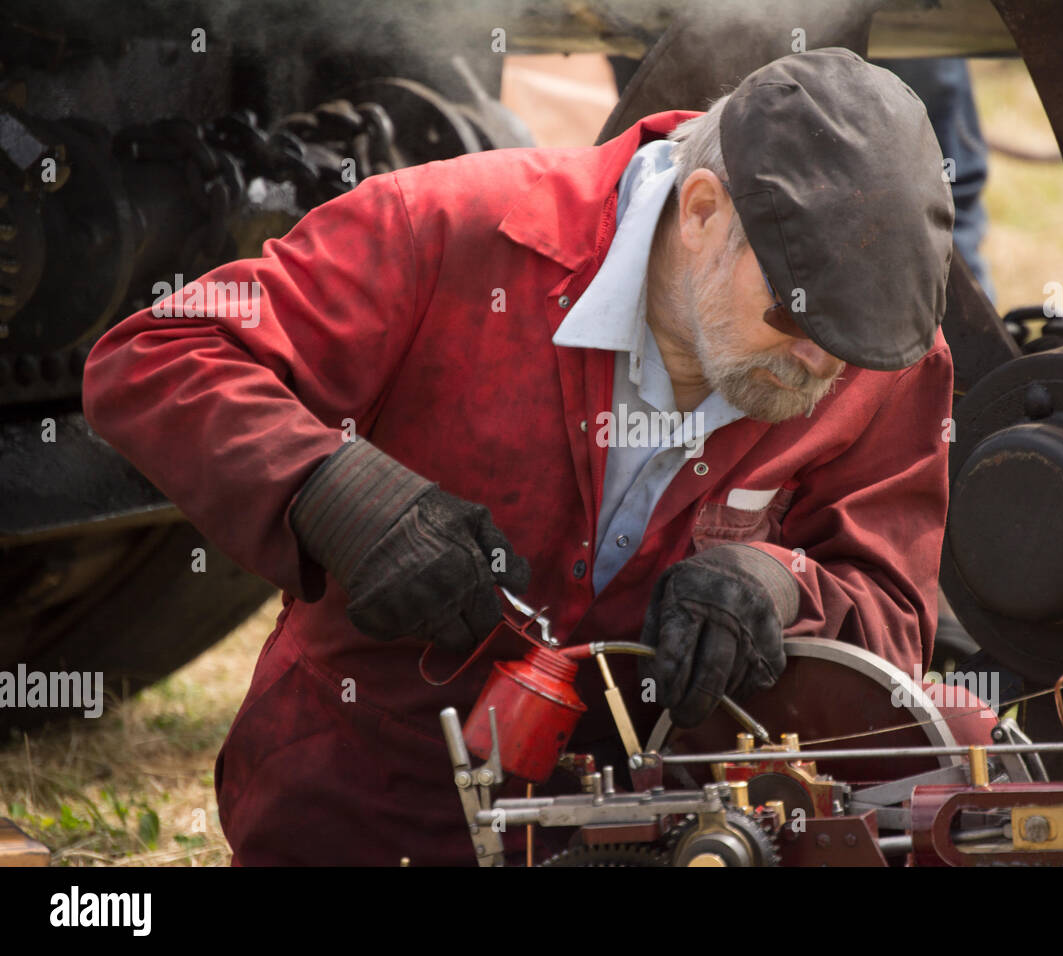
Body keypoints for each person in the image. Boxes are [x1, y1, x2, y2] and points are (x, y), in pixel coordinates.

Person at [81, 47, 955, 865]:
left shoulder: (877, 353)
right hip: (361, 816)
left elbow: (890, 616)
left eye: (856, 348)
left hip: (668, 841)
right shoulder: (446, 228)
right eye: (798, 321)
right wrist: (328, 488)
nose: (824, 365)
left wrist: (777, 584)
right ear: (700, 212)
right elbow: (157, 359)